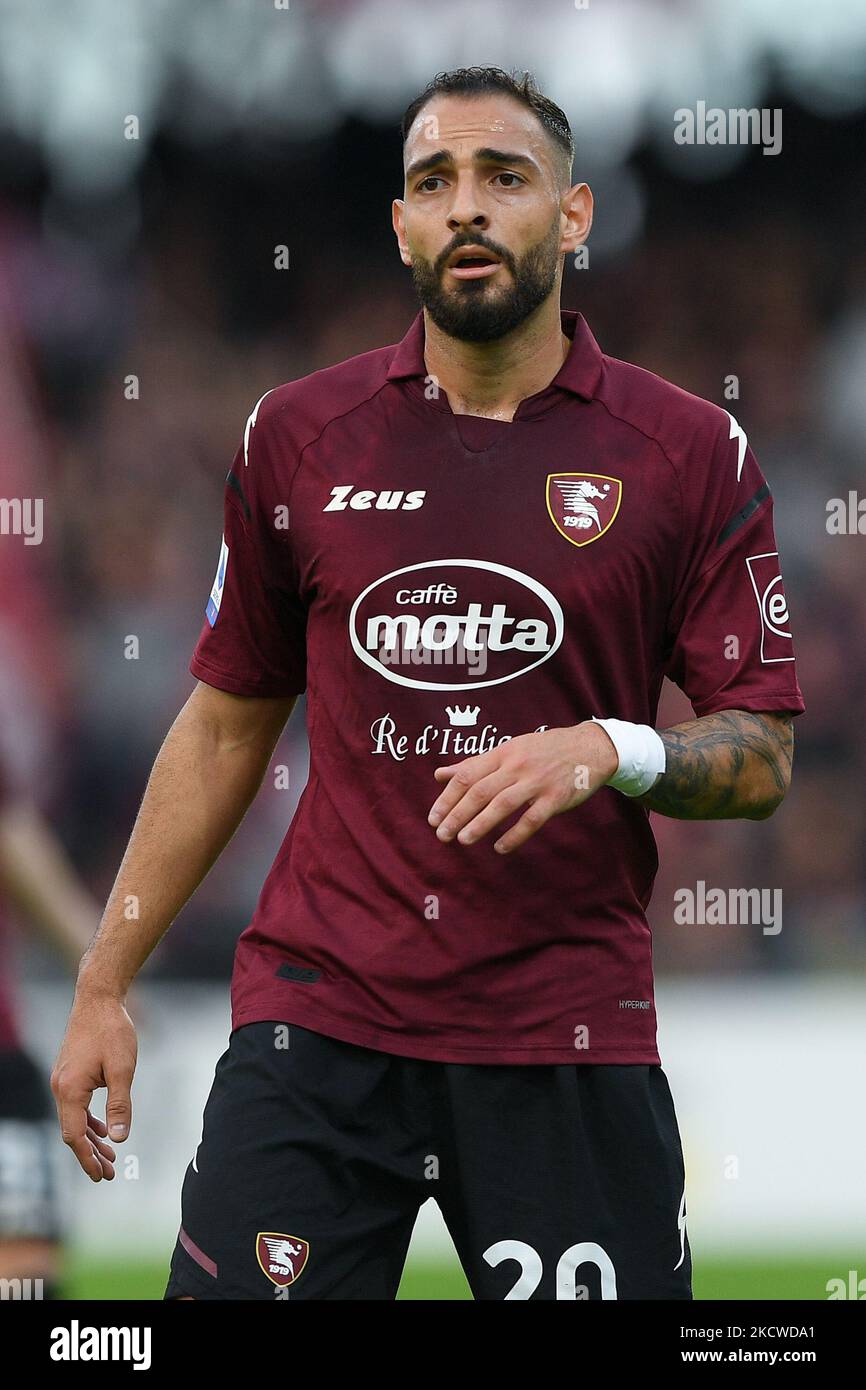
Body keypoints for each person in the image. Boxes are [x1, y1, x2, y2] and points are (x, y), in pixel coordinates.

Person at [51, 66, 804, 1301]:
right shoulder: (295, 435)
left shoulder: (685, 452)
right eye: (431, 182)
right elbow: (227, 720)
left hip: (562, 1027)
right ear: (399, 223)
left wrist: (612, 746)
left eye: (503, 178)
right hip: (318, 1018)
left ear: (571, 216)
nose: (466, 207)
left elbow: (763, 753)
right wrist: (103, 981)